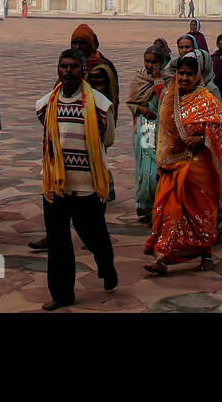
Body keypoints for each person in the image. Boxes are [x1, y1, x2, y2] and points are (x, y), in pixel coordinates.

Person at [37, 49, 118, 309]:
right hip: (56, 183)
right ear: (57, 70)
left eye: (74, 66)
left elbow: (108, 140)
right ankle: (62, 294)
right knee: (58, 241)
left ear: (84, 70)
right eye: (63, 66)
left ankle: (106, 267)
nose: (68, 71)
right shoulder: (46, 104)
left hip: (88, 184)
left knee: (94, 236)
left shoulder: (100, 105)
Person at [143, 56, 222, 275]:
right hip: (172, 166)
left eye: (189, 74)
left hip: (198, 167)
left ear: (197, 76)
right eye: (181, 73)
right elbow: (162, 131)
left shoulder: (207, 100)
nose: (183, 77)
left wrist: (202, 139)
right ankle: (162, 257)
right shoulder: (169, 97)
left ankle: (206, 254)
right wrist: (161, 159)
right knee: (168, 211)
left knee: (199, 213)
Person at [127, 46, 166, 222]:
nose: (150, 66)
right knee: (143, 169)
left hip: (160, 129)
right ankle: (144, 206)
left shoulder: (168, 79)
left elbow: (165, 102)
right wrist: (142, 109)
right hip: (143, 127)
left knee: (156, 169)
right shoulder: (139, 77)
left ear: (162, 63)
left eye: (154, 62)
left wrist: (158, 81)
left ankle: (158, 206)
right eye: (147, 62)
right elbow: (131, 102)